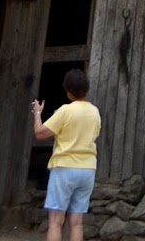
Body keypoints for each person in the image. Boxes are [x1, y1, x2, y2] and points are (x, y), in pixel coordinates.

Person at [33, 70, 101, 241]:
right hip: (87, 170)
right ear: (86, 89)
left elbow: (40, 133)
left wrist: (37, 114)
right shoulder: (95, 113)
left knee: (56, 221)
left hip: (65, 168)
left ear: (68, 91)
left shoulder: (65, 111)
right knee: (77, 222)